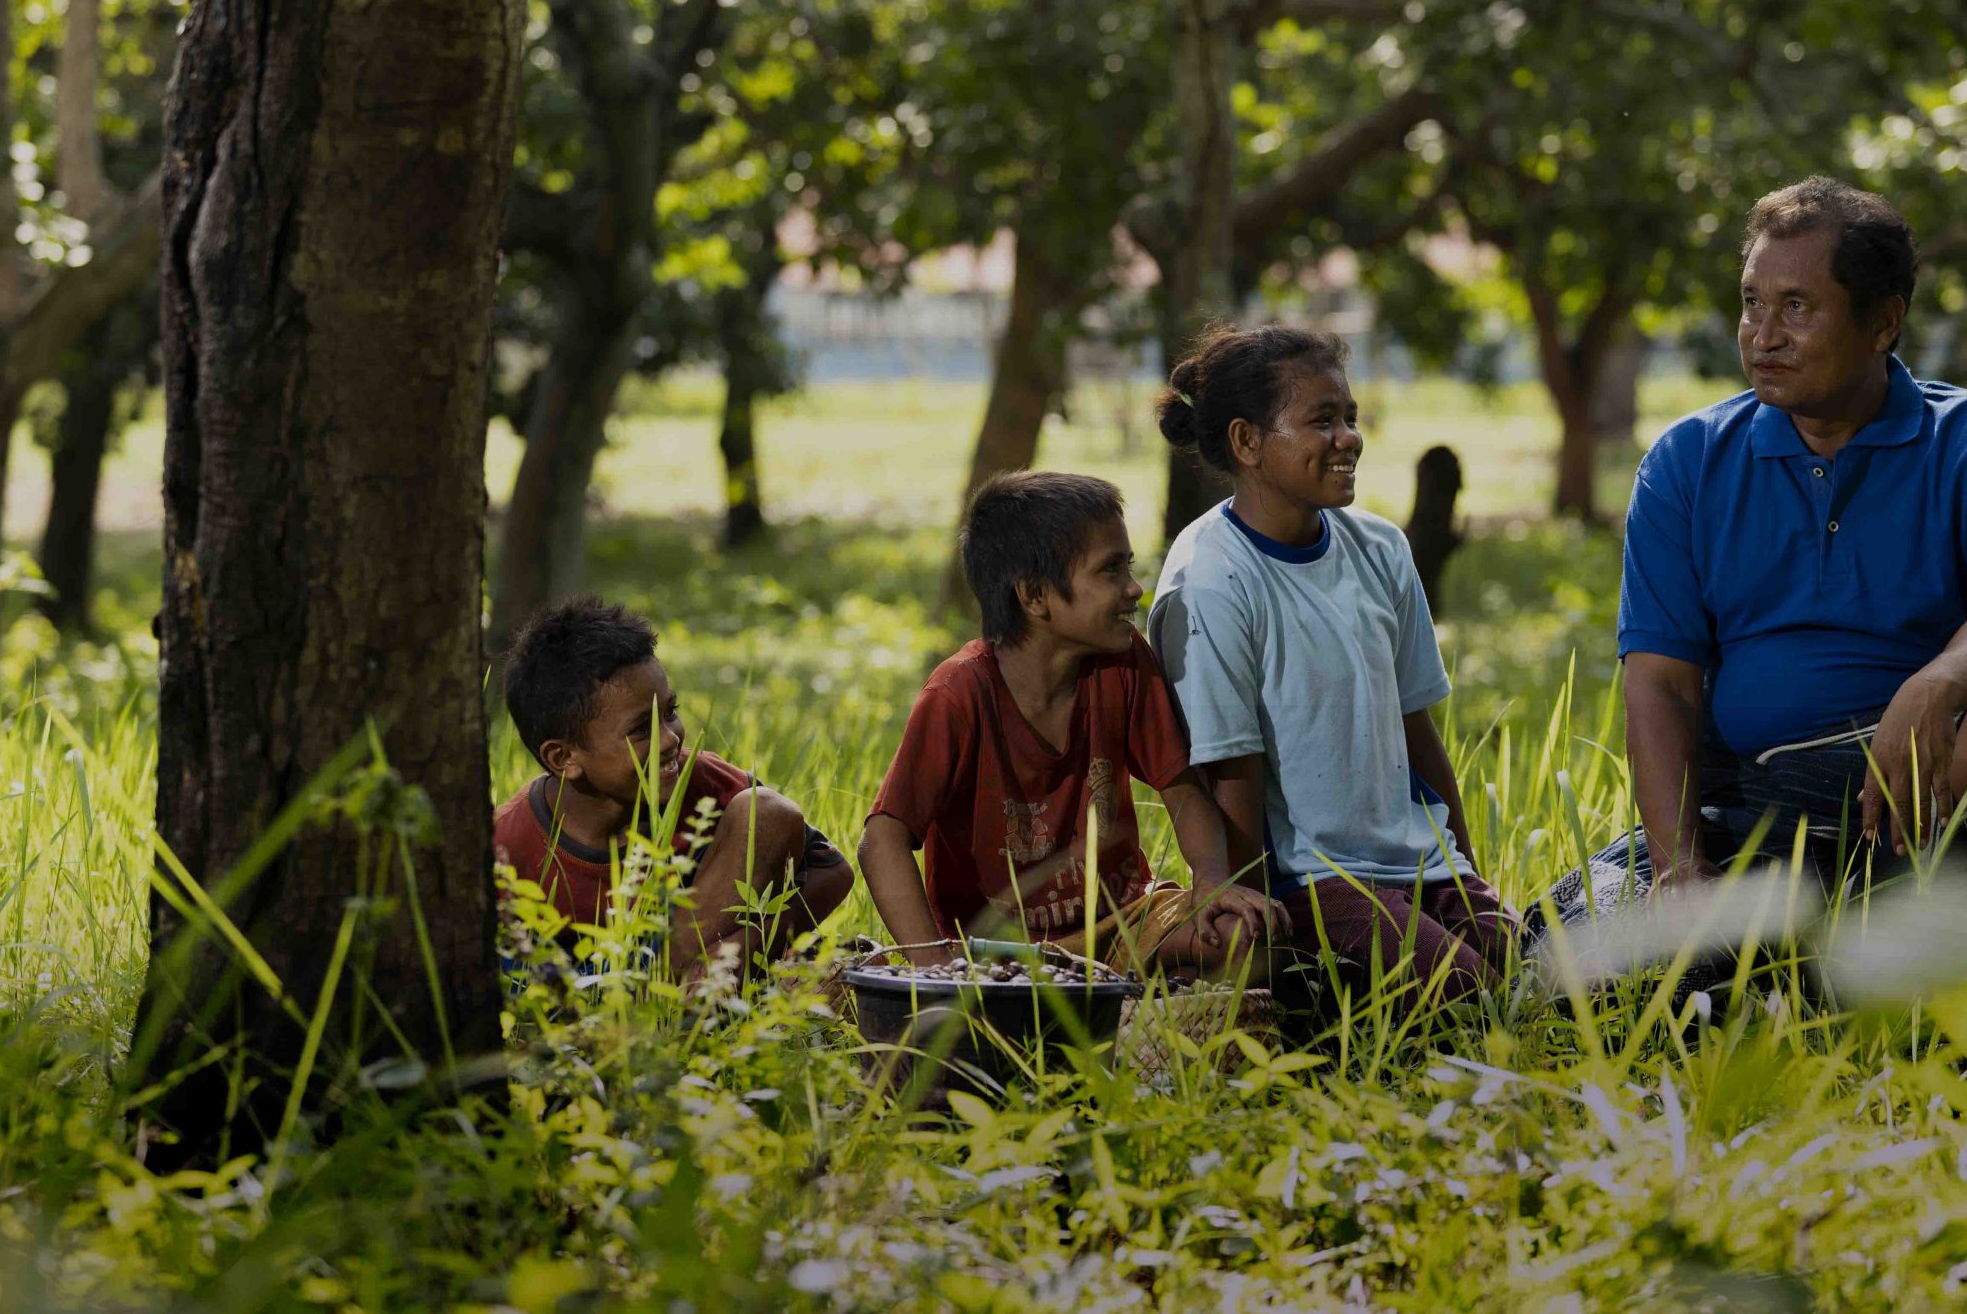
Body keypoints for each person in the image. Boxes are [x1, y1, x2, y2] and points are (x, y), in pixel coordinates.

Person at [1619, 176, 1967, 894]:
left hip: (1927, 803)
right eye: (1752, 302)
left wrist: (1935, 683)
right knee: (1566, 960)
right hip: (1750, 814)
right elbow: (1661, 685)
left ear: (1882, 323)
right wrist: (1680, 871)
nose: (1763, 335)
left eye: (1797, 307)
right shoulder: (1687, 461)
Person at [1145, 323, 1516, 1007]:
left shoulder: (1379, 548)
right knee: (1470, 994)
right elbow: (1231, 771)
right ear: (1247, 441)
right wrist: (1251, 933)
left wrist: (1467, 875)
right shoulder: (1211, 581)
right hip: (1312, 879)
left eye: (1349, 416)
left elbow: (1416, 729)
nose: (1348, 437)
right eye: (1322, 420)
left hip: (1416, 859)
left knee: (1533, 970)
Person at [859, 471, 1282, 974]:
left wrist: (1212, 881)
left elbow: (1183, 789)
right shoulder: (959, 694)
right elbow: (881, 839)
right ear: (1035, 596)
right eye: (1110, 571)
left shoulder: (1125, 664)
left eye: (1128, 566)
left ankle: (1136, 1021)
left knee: (1243, 937)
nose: (1134, 588)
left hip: (1122, 924)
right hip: (996, 954)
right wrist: (933, 968)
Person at [493, 597, 855, 977]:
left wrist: (737, 949)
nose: (670, 740)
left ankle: (671, 997)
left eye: (670, 713)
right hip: (588, 993)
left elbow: (831, 872)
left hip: (694, 972)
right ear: (564, 758)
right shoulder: (511, 844)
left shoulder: (698, 779)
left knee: (767, 811)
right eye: (640, 730)